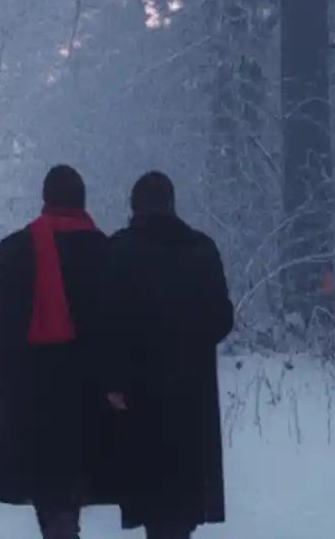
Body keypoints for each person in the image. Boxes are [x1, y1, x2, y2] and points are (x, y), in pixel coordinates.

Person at [0, 165, 117, 539]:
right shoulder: (107, 251)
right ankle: (64, 522)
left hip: (31, 384)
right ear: (83, 200)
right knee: (77, 467)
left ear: (45, 199)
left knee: (46, 473)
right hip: (91, 383)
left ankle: (58, 524)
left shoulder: (17, 248)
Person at [104, 172, 235, 539]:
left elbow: (106, 321)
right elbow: (222, 318)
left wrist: (112, 380)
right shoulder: (202, 250)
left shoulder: (120, 250)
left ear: (135, 206)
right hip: (191, 388)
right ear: (171, 203)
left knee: (152, 492)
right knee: (184, 486)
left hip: (139, 389)